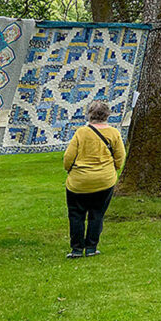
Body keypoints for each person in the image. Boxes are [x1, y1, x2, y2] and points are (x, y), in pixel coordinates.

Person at [62, 100, 126, 258]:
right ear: (107, 115)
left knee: (76, 215)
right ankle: (91, 247)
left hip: (79, 182)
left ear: (89, 114)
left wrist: (70, 169)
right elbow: (120, 156)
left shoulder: (81, 133)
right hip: (104, 180)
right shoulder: (114, 133)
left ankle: (76, 249)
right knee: (97, 214)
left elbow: (68, 158)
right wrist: (113, 169)